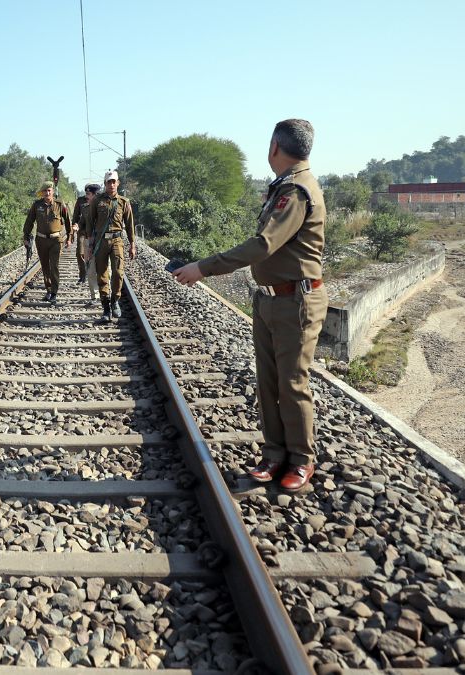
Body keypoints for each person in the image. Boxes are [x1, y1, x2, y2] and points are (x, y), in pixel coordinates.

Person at [171, 119, 327, 493]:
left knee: (292, 383)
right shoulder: (285, 187)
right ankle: (274, 454)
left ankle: (301, 460)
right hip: (272, 299)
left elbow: (263, 245)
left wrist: (203, 267)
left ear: (275, 146)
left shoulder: (298, 191)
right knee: (269, 381)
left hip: (296, 301)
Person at [82, 170, 136, 322]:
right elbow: (90, 223)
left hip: (117, 241)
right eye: (108, 182)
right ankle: (106, 307)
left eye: (114, 182)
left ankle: (115, 302)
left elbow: (130, 225)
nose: (111, 184)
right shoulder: (97, 201)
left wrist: (132, 245)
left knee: (118, 273)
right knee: (102, 274)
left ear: (118, 183)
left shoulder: (124, 202)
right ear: (105, 184)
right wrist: (90, 245)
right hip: (101, 242)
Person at [22, 180, 72, 302]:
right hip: (41, 240)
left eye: (49, 190)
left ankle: (54, 292)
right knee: (45, 266)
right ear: (42, 193)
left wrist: (69, 237)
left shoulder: (60, 205)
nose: (47, 193)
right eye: (45, 191)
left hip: (56, 240)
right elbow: (29, 221)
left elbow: (68, 221)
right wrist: (26, 236)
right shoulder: (37, 205)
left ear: (53, 191)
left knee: (54, 266)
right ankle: (49, 290)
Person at [72, 183, 100, 284]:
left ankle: (95, 275)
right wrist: (74, 228)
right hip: (82, 231)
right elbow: (76, 215)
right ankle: (82, 276)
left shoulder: (98, 201)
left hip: (94, 232)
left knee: (95, 254)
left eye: (89, 192)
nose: (87, 194)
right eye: (86, 192)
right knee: (80, 253)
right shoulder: (80, 200)